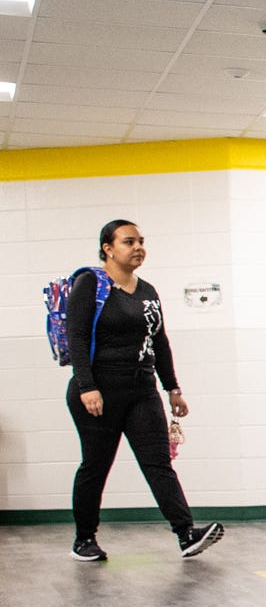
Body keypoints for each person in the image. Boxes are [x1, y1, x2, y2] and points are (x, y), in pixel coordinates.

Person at [64, 220, 223, 562]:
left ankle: (185, 533)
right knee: (96, 464)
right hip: (99, 391)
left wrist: (172, 388)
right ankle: (84, 539)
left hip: (142, 389)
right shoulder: (90, 283)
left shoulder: (148, 290)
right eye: (128, 241)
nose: (138, 247)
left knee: (159, 463)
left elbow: (159, 342)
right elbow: (77, 337)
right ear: (108, 248)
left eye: (141, 241)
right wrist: (87, 386)